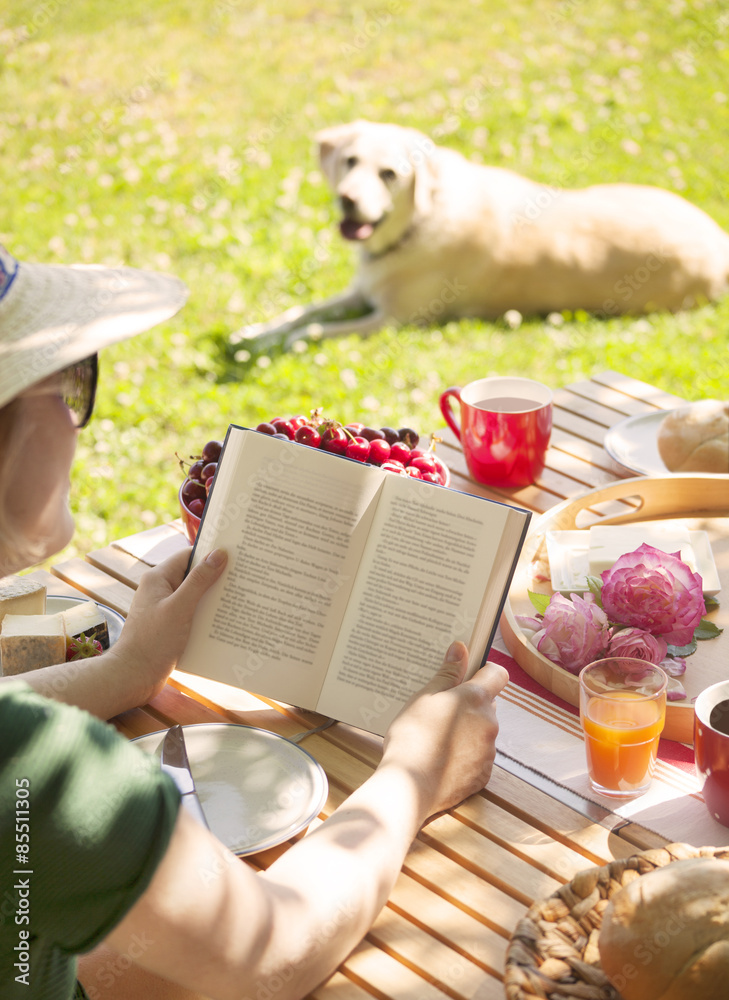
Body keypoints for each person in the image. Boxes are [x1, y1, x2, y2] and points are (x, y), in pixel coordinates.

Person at [0, 242, 509, 1000]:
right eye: (69, 381)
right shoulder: (37, 769)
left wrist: (123, 673)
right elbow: (271, 950)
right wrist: (415, 774)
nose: (78, 424)